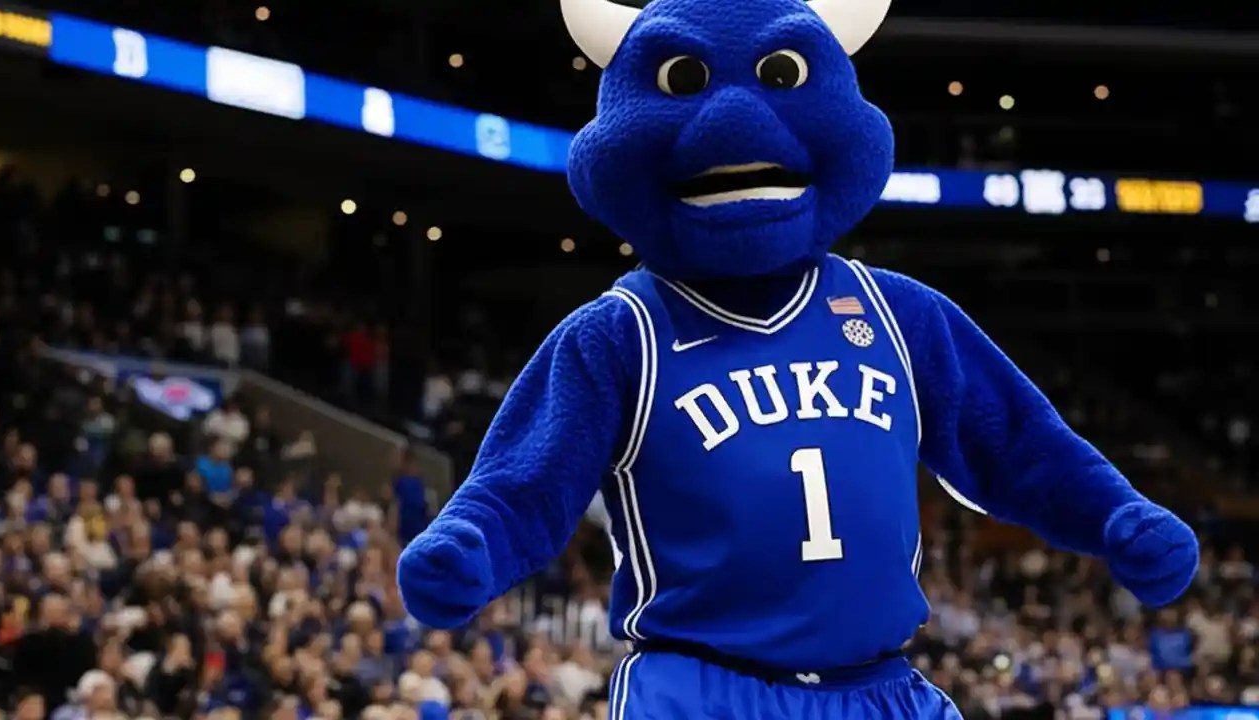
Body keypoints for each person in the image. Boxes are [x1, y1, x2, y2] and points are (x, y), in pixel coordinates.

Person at [397, 0, 1200, 717]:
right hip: (703, 686)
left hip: (878, 686)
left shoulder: (898, 313)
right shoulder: (620, 334)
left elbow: (1015, 443)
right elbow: (526, 483)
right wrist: (472, 542)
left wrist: (1112, 514)